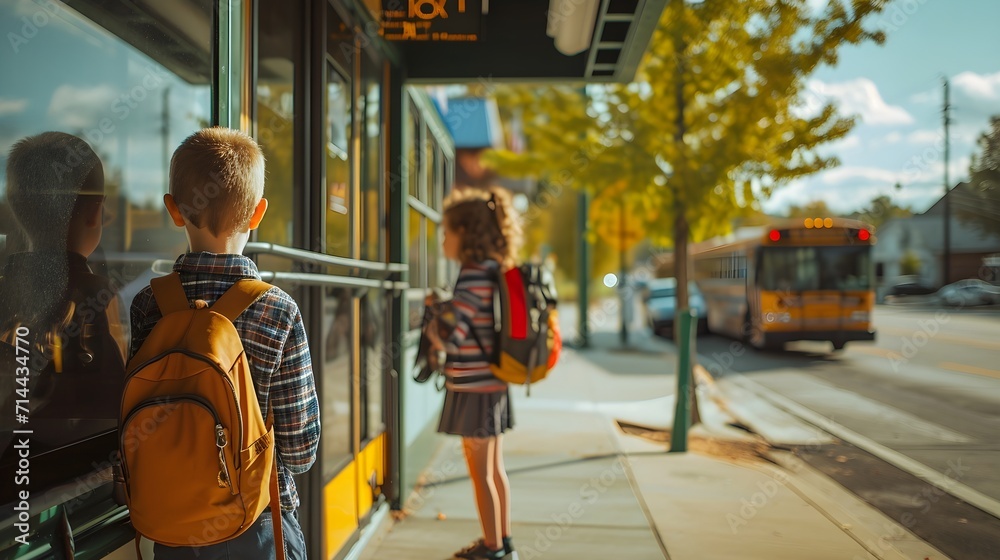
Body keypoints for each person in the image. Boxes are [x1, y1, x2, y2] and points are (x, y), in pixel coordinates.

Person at [128, 127, 320, 560]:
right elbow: (301, 448)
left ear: (173, 210)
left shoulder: (148, 304)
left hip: (170, 520)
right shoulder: (278, 309)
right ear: (258, 214)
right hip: (259, 519)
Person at [0, 132, 126, 493]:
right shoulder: (96, 296)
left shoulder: (6, 288)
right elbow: (115, 407)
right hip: (72, 483)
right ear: (95, 212)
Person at [426, 187, 521, 560]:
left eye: (447, 231)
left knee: (480, 471)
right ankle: (501, 540)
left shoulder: (473, 273)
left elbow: (451, 334)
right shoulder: (491, 268)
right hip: (491, 383)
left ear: (464, 232)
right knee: (494, 468)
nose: (444, 239)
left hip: (475, 386)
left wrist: (435, 313)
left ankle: (493, 549)